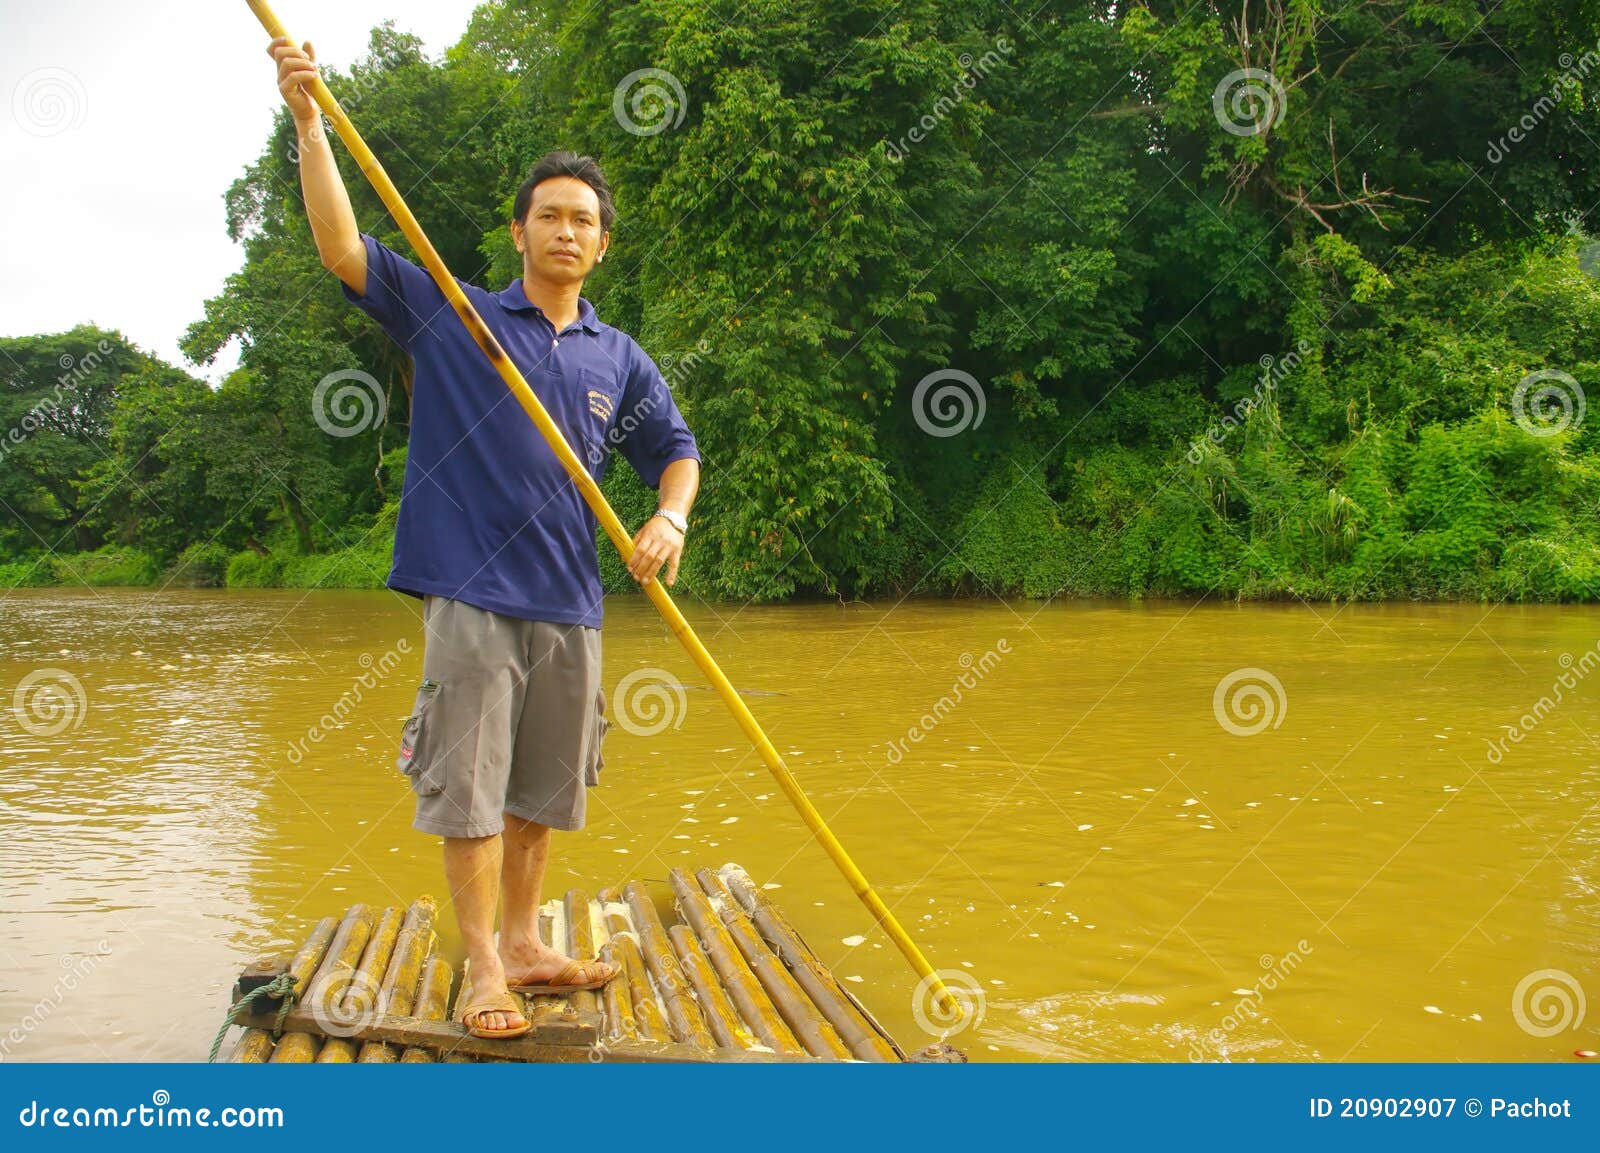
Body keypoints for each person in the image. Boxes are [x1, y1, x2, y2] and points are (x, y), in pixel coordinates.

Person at [270, 37, 702, 1039]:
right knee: (467, 793)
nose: (566, 230)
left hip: (570, 603)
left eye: (583, 220)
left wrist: (669, 514)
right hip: (470, 594)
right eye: (550, 214)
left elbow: (676, 452)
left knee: (542, 790)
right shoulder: (457, 316)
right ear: (519, 231)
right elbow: (342, 248)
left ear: (602, 245)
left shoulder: (617, 357)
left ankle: (524, 941)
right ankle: (483, 971)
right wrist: (308, 124)